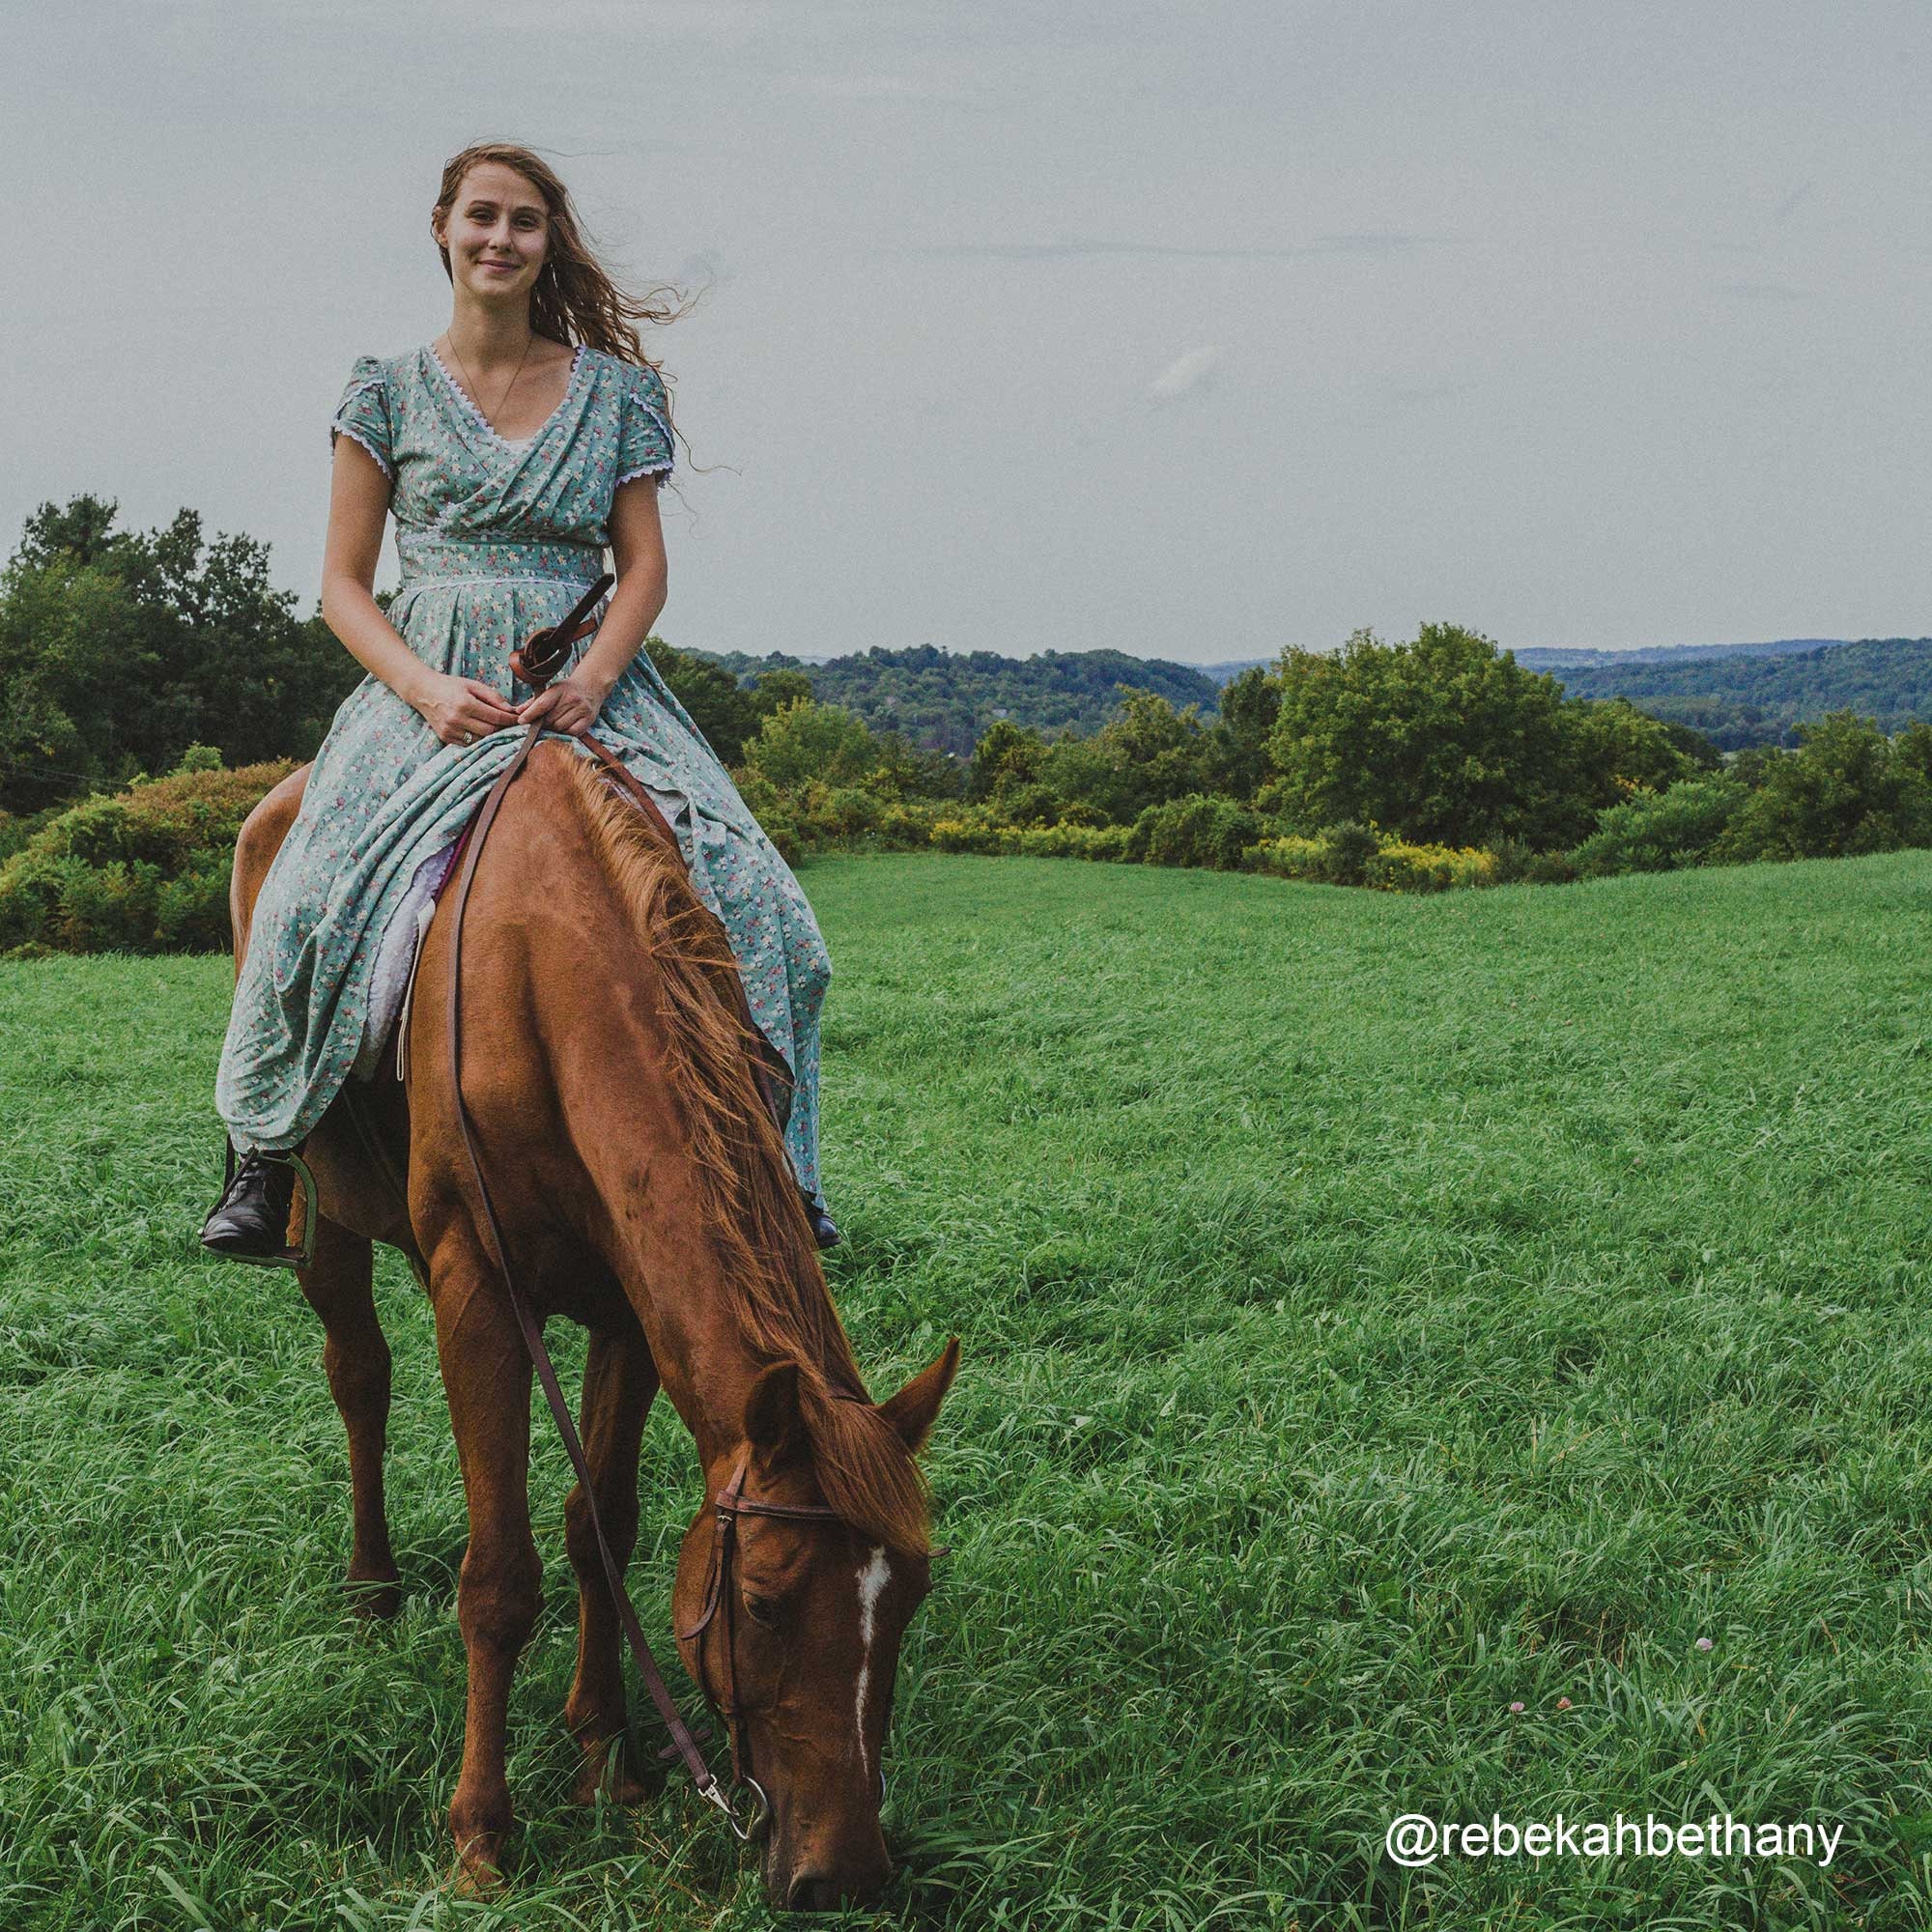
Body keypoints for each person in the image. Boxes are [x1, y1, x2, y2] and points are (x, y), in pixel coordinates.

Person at [201, 142, 838, 1262]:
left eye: (526, 222)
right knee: (305, 891)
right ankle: (263, 1154)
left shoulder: (618, 392)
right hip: (427, 683)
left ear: (548, 243)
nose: (501, 238)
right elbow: (342, 584)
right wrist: (422, 687)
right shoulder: (382, 388)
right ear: (442, 227)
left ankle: (769, 1172)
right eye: (482, 216)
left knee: (773, 907)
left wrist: (591, 678)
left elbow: (641, 567)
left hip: (588, 689)